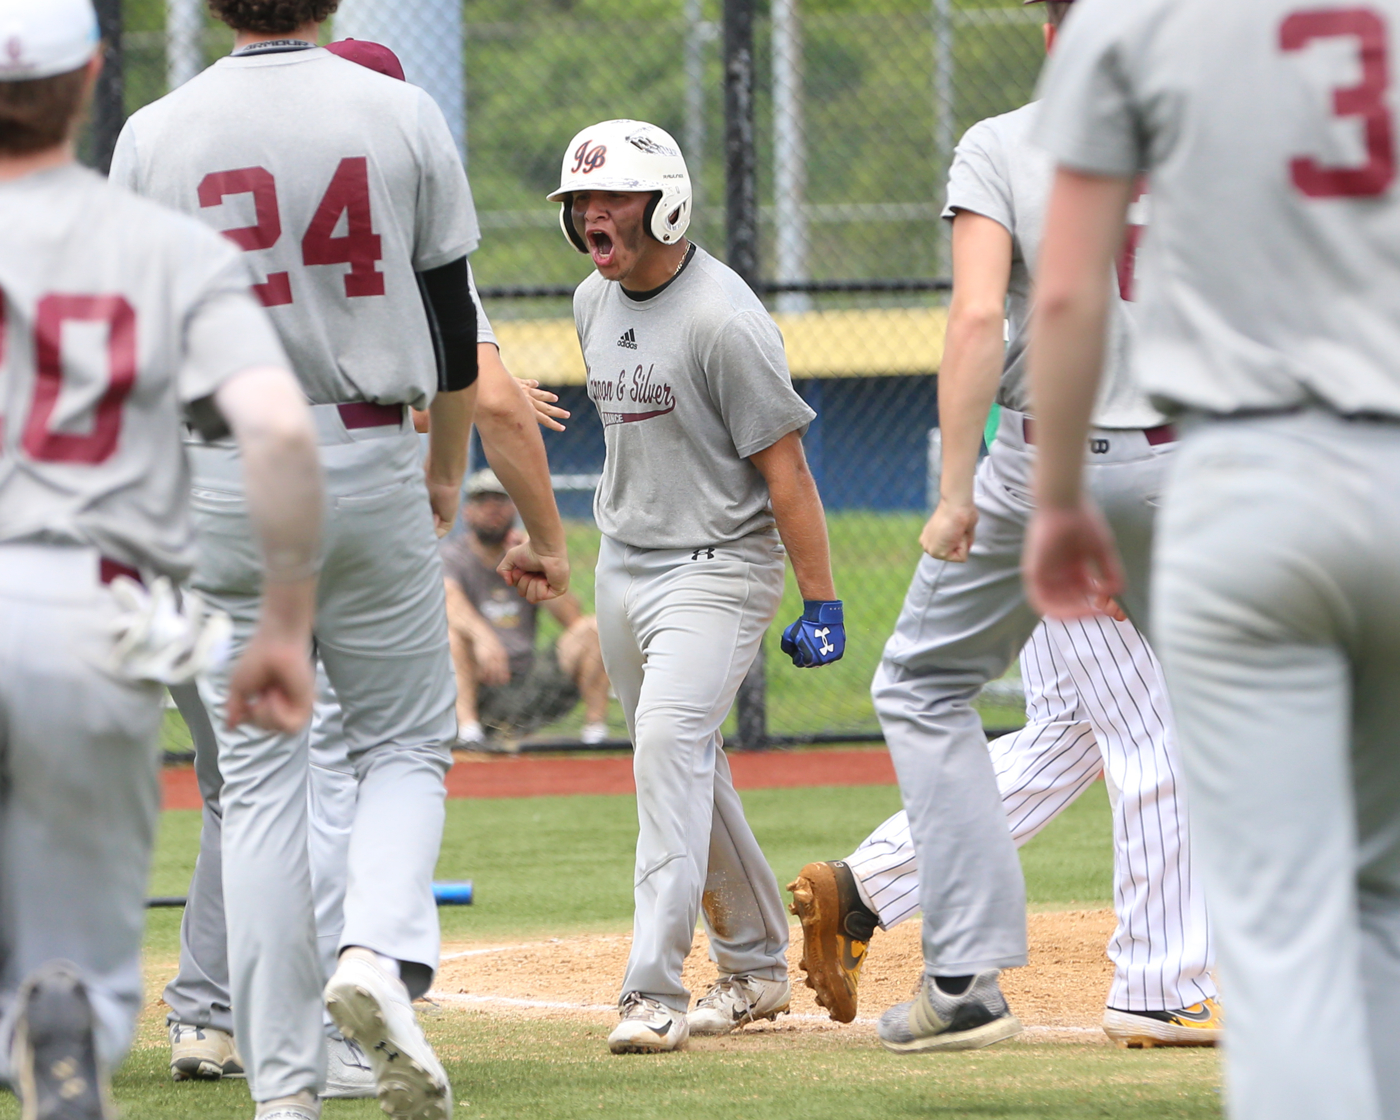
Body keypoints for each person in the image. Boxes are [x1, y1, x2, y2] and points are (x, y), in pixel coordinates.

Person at [110, 3, 561, 1115]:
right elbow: (457, 337)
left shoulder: (153, 132)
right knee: (405, 740)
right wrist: (446, 474)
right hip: (365, 445)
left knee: (258, 780)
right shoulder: (399, 111)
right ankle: (373, 955)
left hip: (215, 462)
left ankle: (282, 1087)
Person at [1024, 0, 1400, 1115]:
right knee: (1380, 894)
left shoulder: (1120, 24)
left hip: (1240, 476)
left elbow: (1063, 289)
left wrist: (1053, 504)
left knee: (1279, 916)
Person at [865, 0, 1210, 1055]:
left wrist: (956, 491)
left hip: (1039, 464)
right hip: (1188, 459)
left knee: (921, 685)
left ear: (1049, 23)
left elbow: (978, 320)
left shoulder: (1002, 140)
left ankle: (965, 977)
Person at [0, 0, 324, 1115]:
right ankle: (65, 1015)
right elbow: (280, 433)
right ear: (91, 77)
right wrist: (282, 625)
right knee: (79, 906)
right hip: (93, 603)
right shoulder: (166, 248)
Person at [545, 118, 845, 1054]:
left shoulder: (725, 319)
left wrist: (821, 599)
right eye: (580, 203)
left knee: (668, 750)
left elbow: (786, 473)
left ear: (667, 202)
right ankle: (757, 968)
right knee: (686, 763)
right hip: (624, 562)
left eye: (613, 199)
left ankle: (651, 991)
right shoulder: (591, 303)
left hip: (720, 564)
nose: (593, 216)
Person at [790, 614, 1217, 1047]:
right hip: (1095, 550)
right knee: (1156, 734)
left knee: (1070, 729)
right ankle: (1162, 987)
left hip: (1038, 551)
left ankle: (866, 886)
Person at [443, 469, 609, 745]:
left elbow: (573, 619)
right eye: (482, 501)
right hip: (475, 683)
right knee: (453, 636)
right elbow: (450, 601)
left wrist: (540, 565)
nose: (491, 509)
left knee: (593, 629)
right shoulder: (452, 557)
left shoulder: (526, 555)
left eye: (499, 501)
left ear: (514, 510)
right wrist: (484, 638)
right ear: (467, 512)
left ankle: (595, 735)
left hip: (528, 680)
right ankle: (468, 731)